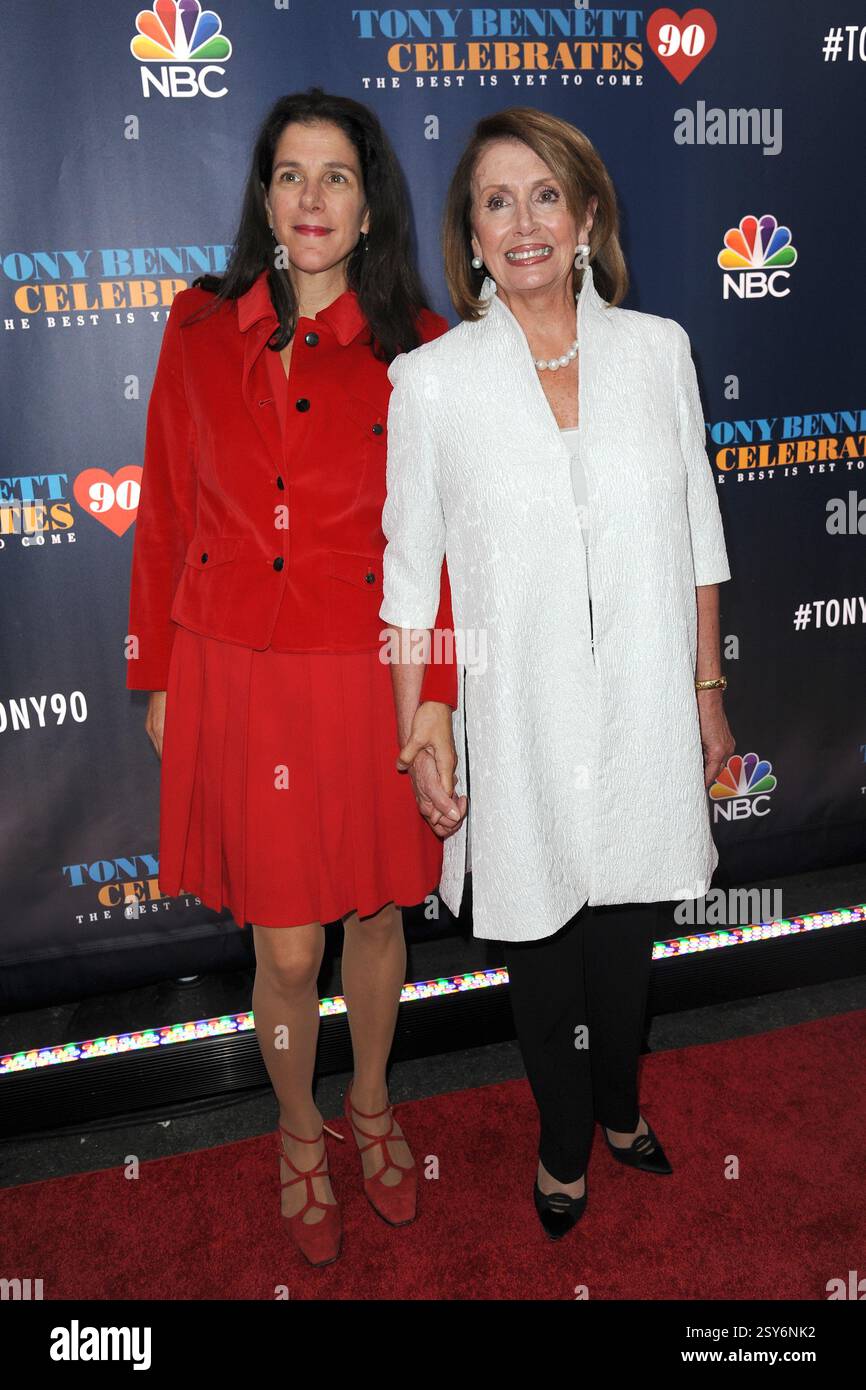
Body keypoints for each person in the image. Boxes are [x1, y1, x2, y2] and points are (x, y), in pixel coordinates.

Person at [378, 107, 735, 1240]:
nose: (522, 222)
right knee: (537, 959)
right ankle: (563, 1141)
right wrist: (419, 732)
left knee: (625, 951)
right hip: (516, 716)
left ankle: (622, 1108)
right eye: (495, 200)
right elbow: (406, 577)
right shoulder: (431, 381)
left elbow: (698, 536)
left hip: (637, 704)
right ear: (469, 233)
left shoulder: (657, 350)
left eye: (544, 196)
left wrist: (705, 696)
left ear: (584, 216)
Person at [125, 88, 463, 1268]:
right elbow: (162, 509)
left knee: (374, 913)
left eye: (334, 177)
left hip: (364, 671)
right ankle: (298, 1125)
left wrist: (436, 696)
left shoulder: (420, 348)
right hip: (235, 671)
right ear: (263, 197)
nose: (310, 198)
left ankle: (371, 1100)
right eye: (289, 175)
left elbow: (438, 547)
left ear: (368, 205)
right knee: (282, 950)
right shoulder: (196, 326)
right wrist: (155, 676)